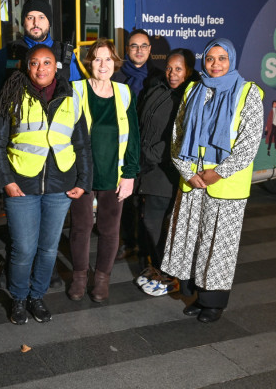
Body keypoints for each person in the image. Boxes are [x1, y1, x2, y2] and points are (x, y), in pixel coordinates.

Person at [161, 38, 263, 323]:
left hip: (226, 185)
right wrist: (187, 172)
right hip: (194, 182)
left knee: (218, 246)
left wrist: (218, 172)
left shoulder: (248, 93)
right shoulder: (194, 89)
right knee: (193, 241)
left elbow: (249, 143)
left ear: (231, 60)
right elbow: (177, 135)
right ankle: (197, 295)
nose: (215, 65)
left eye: (222, 58)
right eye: (210, 59)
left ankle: (214, 303)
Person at [0, 45, 91, 324]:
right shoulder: (10, 94)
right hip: (21, 186)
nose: (41, 68)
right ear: (27, 66)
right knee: (23, 248)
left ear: (56, 66)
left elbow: (81, 144)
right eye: (35, 63)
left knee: (48, 248)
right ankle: (19, 298)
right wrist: (5, 181)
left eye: (47, 62)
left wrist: (84, 181)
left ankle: (37, 296)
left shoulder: (72, 97)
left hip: (60, 187)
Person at [68, 39, 139, 302]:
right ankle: (79, 277)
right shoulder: (76, 90)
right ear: (89, 63)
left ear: (115, 63)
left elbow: (133, 137)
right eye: (97, 59)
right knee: (81, 227)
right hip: (82, 174)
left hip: (114, 173)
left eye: (108, 59)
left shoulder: (124, 93)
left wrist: (130, 173)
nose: (102, 64)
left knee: (110, 229)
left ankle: (101, 280)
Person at [134, 49, 197, 297]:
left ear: (189, 71)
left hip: (167, 169)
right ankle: (160, 269)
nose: (172, 74)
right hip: (147, 165)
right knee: (150, 220)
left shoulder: (191, 95)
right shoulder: (157, 87)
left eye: (178, 69)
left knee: (156, 222)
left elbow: (180, 137)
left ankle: (170, 275)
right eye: (169, 68)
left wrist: (151, 157)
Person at [113, 30, 164, 261]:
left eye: (144, 46)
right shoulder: (116, 77)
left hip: (150, 150)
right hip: (124, 148)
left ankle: (147, 250)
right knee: (125, 200)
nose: (139, 50)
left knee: (148, 204)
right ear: (127, 49)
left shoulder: (160, 77)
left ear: (150, 49)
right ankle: (129, 241)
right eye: (134, 46)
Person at [0, 0, 81, 94]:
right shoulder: (7, 53)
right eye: (30, 18)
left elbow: (78, 95)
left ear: (49, 22)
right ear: (23, 22)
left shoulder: (65, 55)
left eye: (41, 17)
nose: (36, 23)